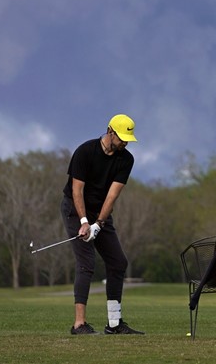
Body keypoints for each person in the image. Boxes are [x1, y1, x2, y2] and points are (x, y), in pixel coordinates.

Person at [63, 113, 145, 335]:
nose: (125, 142)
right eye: (122, 137)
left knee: (118, 262)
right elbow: (76, 190)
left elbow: (112, 196)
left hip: (101, 211)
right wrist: (84, 222)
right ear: (110, 131)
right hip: (75, 209)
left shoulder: (126, 159)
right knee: (86, 263)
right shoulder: (85, 152)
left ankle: (114, 323)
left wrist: (98, 223)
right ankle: (79, 324)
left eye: (128, 138)